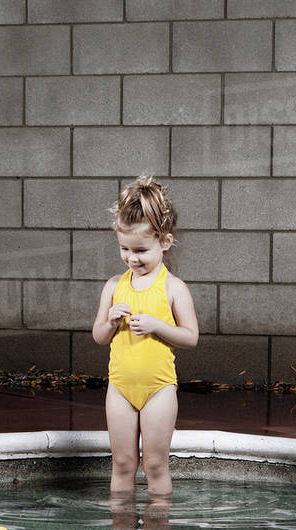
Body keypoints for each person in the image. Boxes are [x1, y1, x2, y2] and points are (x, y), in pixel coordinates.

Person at [91, 176, 199, 495]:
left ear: (164, 242)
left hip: (158, 389)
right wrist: (110, 321)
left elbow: (190, 336)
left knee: (155, 464)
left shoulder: (173, 288)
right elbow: (99, 336)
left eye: (141, 250)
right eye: (124, 249)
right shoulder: (113, 286)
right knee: (123, 463)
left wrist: (157, 326)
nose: (132, 258)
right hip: (120, 387)